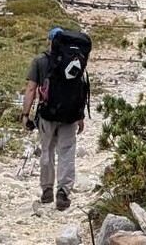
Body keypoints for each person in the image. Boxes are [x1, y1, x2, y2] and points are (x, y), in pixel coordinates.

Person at [22, 26, 91, 211]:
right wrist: (80, 115)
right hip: (70, 115)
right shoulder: (75, 60)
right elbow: (80, 87)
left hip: (47, 115)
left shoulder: (40, 61)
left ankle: (47, 190)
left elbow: (30, 89)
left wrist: (25, 114)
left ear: (49, 41)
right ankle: (63, 191)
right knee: (67, 152)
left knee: (47, 151)